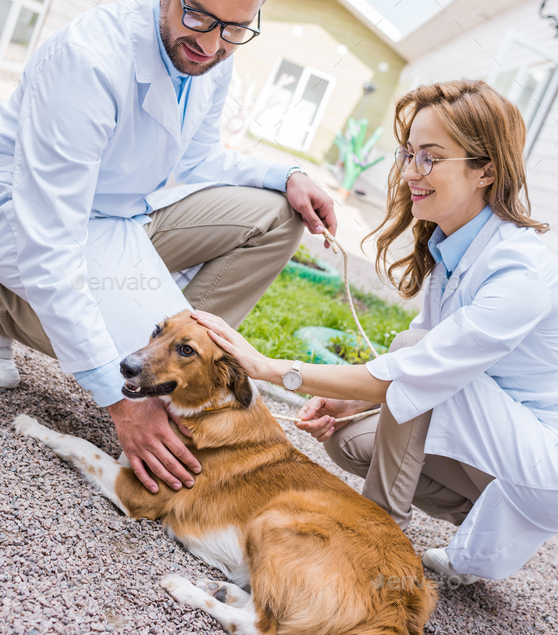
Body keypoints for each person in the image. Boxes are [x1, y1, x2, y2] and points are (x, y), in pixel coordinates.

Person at [0, 0, 336, 497]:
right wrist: (118, 399)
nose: (213, 45)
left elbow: (197, 160)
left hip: (117, 219)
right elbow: (51, 247)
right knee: (106, 355)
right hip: (31, 224)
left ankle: (160, 371)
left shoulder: (212, 53)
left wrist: (286, 174)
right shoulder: (87, 64)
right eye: (200, 16)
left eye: (237, 28)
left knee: (274, 215)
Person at [192, 79, 558, 585]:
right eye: (408, 154)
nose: (411, 172)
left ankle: (372, 541)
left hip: (543, 461)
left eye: (429, 158)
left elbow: (420, 366)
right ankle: (469, 524)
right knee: (350, 439)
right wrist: (349, 402)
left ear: (487, 170)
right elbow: (425, 370)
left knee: (413, 353)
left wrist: (269, 368)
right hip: (496, 453)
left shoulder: (519, 271)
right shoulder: (451, 251)